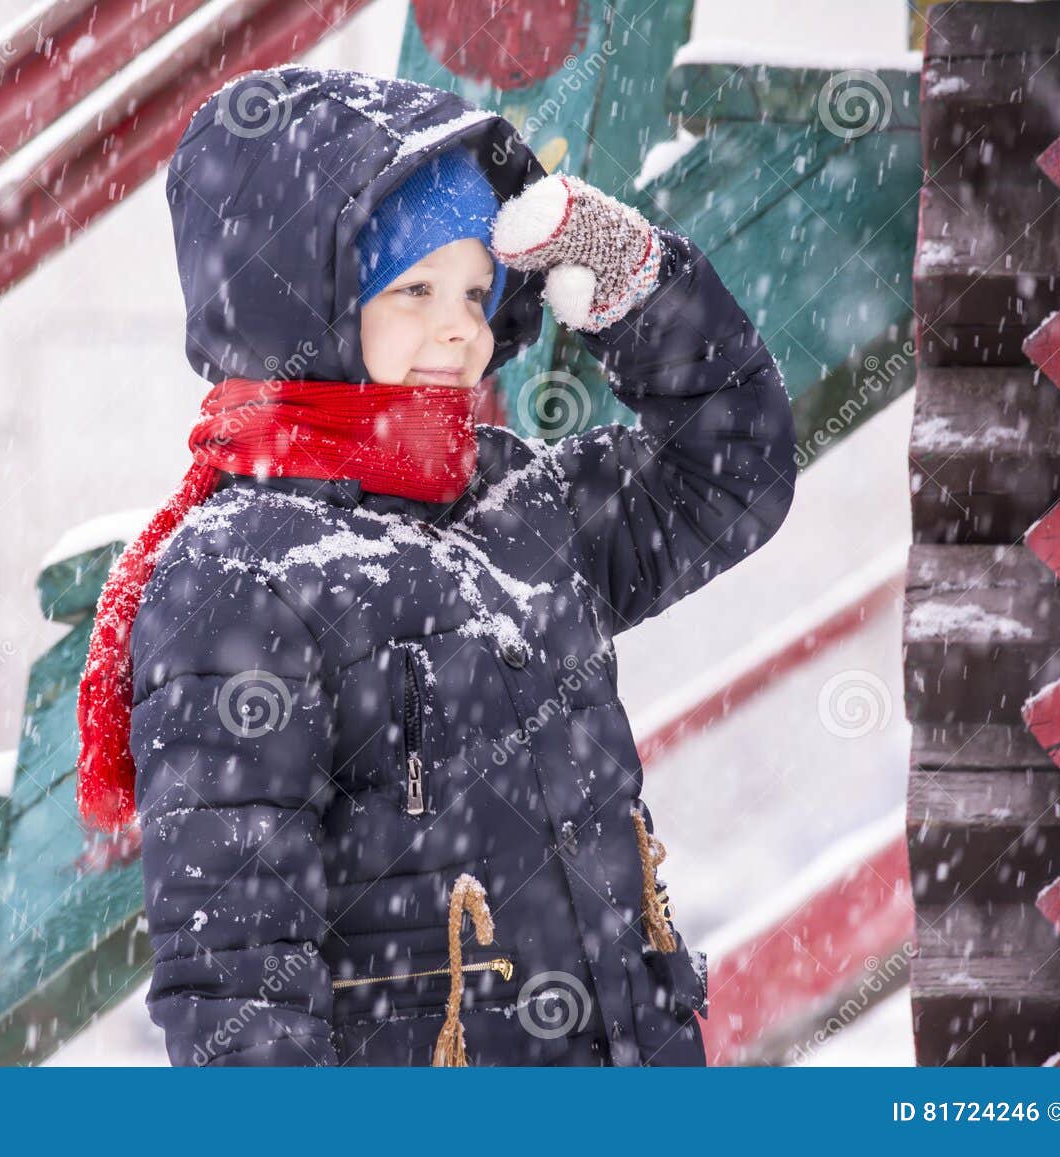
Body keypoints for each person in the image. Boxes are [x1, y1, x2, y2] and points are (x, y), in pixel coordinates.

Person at [74, 64, 797, 1066]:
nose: (456, 325)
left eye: (473, 288)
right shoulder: (243, 579)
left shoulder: (514, 501)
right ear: (303, 303)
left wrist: (629, 280)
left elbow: (731, 469)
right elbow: (237, 974)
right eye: (410, 288)